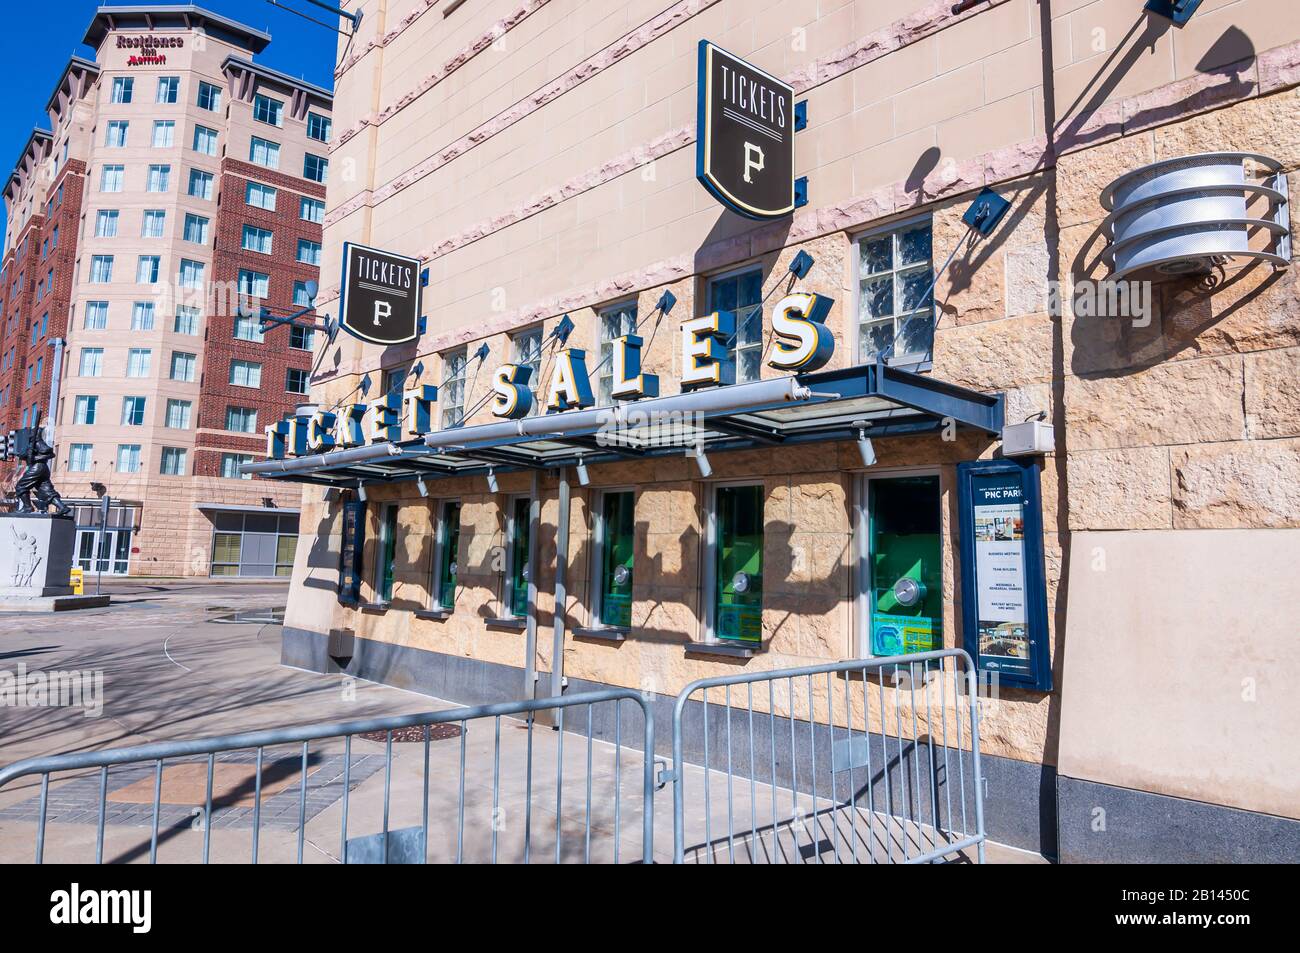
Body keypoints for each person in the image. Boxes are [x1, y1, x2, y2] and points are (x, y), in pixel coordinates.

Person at [13, 432, 71, 517]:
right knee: (45, 490)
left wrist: (35, 457)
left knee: (21, 486)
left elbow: (50, 453)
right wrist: (26, 453)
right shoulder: (31, 444)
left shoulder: (39, 442)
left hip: (38, 467)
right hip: (41, 468)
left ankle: (27, 507)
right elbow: (24, 455)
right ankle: (62, 507)